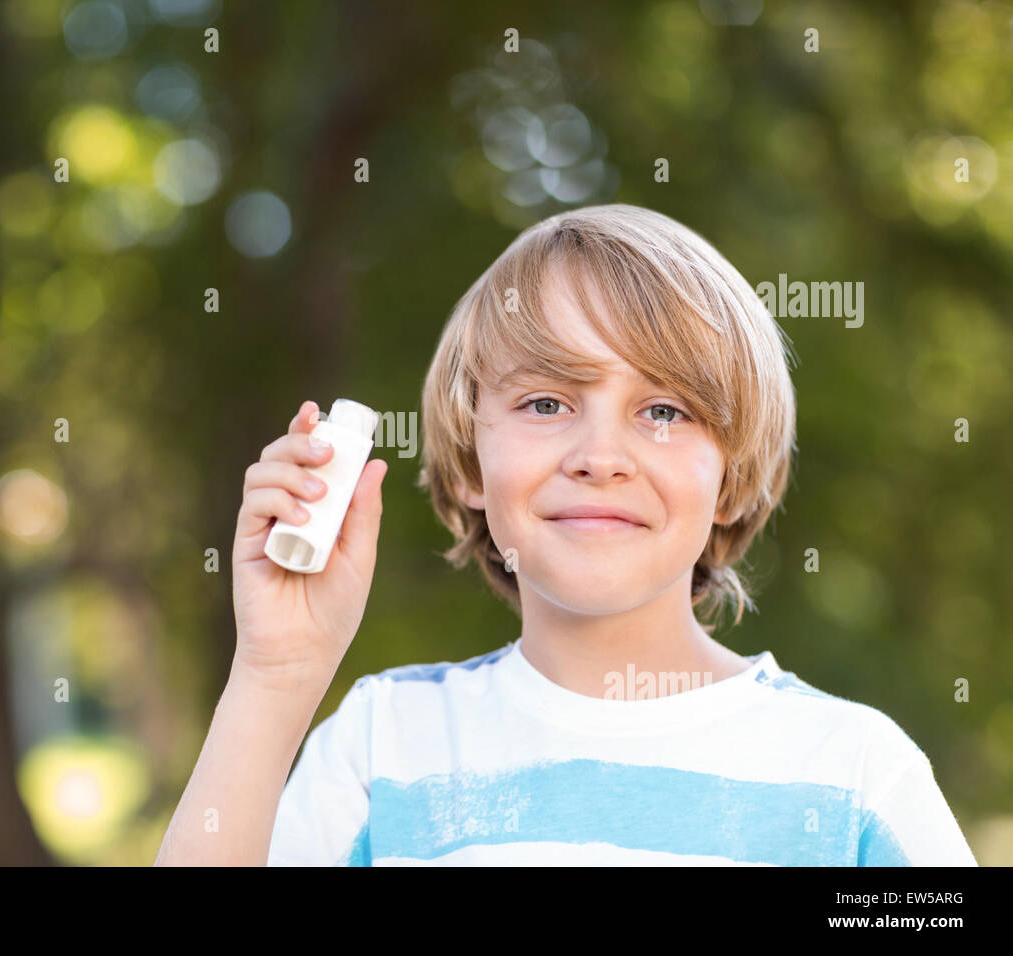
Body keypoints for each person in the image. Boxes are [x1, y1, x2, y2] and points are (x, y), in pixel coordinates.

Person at [154, 204, 978, 866]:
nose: (599, 457)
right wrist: (275, 675)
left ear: (728, 479)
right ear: (472, 463)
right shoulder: (383, 750)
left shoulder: (854, 775)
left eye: (663, 411)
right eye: (546, 404)